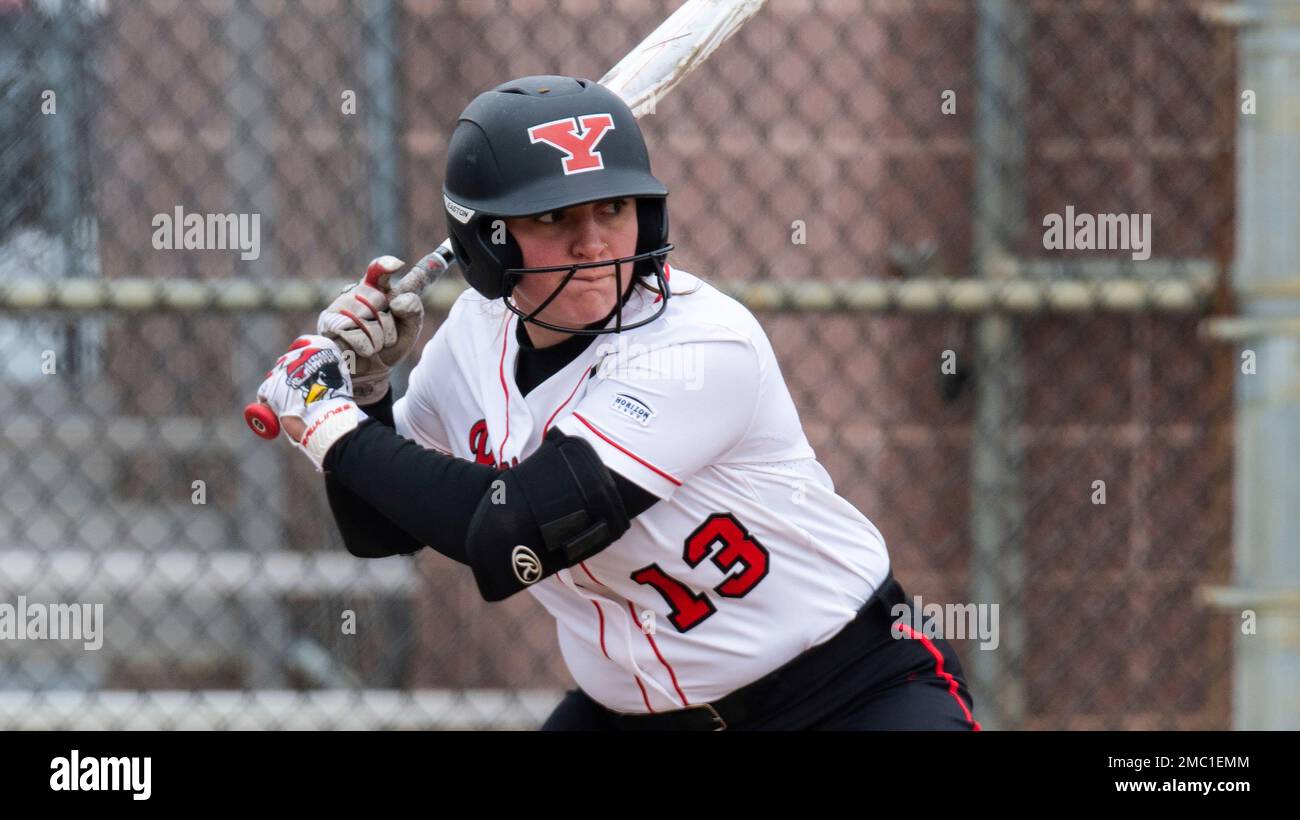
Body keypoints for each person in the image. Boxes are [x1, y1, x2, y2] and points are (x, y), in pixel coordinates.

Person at [255, 75, 979, 731]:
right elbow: (379, 527)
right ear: (488, 243)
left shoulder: (701, 344)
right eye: (553, 219)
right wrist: (372, 395)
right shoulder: (473, 339)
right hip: (634, 714)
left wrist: (329, 420)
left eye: (613, 207)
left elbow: (515, 536)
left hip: (842, 692)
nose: (593, 243)